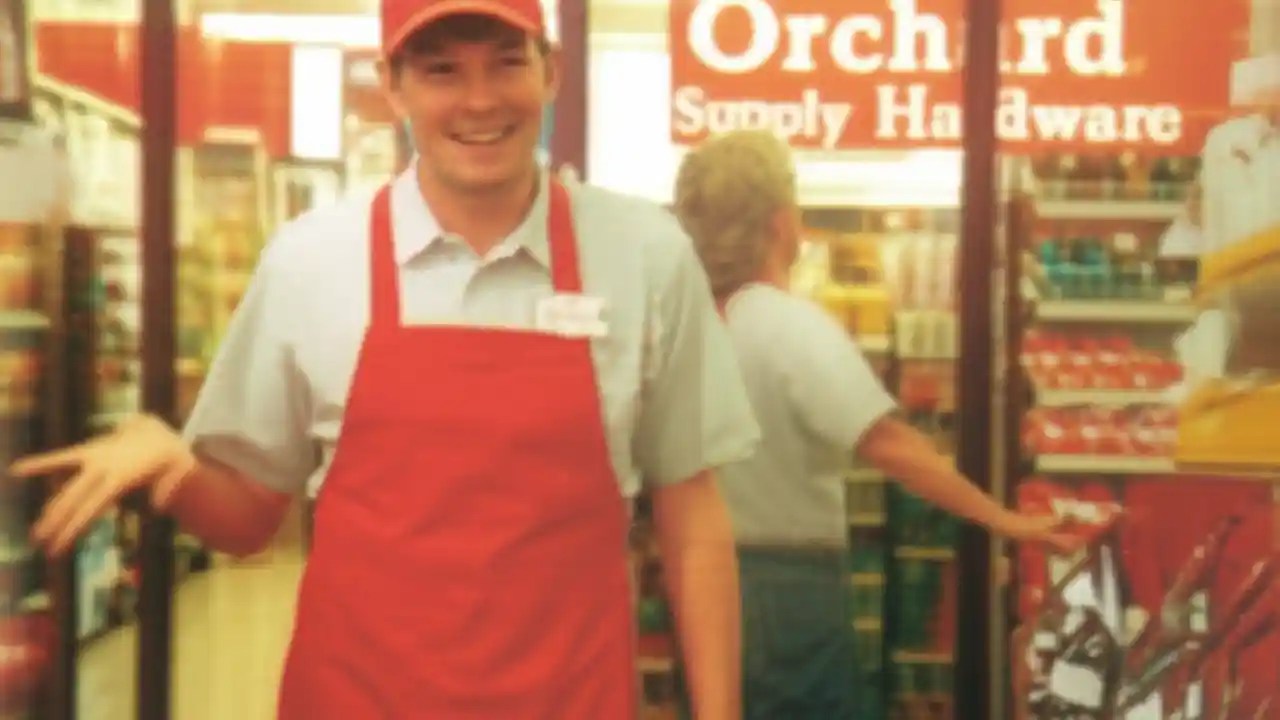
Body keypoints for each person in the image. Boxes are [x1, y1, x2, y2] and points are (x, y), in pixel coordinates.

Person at [9, 2, 761, 718]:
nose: (479, 100)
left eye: (506, 63)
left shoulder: (646, 258)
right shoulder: (312, 262)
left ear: (551, 72)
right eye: (441, 71)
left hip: (570, 703)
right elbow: (246, 523)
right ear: (393, 84)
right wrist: (172, 469)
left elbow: (692, 518)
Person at [671, 129, 1076, 720]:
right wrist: (1006, 521)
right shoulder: (789, 326)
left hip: (698, 578)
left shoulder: (683, 329)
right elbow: (889, 444)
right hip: (786, 588)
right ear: (782, 223)